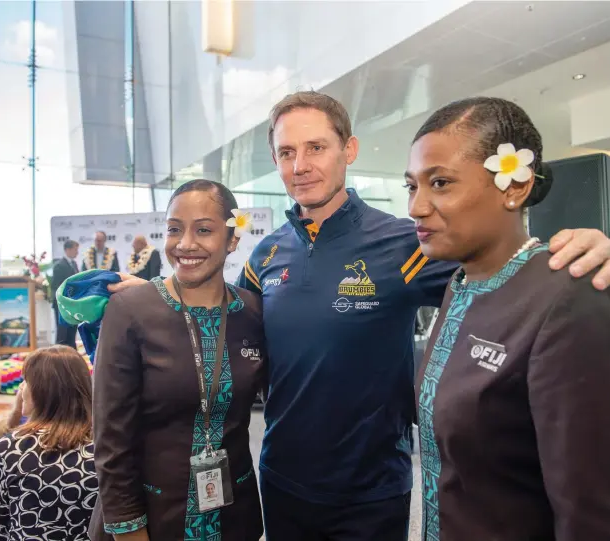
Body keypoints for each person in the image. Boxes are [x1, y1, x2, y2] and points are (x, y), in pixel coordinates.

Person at [108, 91, 610, 540]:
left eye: (316, 148)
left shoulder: (407, 241)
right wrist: (152, 299)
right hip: (283, 481)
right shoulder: (266, 257)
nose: (300, 165)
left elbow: (498, 266)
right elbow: (228, 332)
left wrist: (583, 246)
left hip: (373, 490)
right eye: (287, 152)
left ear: (348, 151)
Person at [406, 97, 610, 540]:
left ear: (514, 188)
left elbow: (588, 505)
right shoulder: (460, 284)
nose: (416, 207)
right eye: (412, 186)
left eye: (440, 183)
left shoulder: (566, 294)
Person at [90, 179, 265, 541]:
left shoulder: (252, 311)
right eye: (174, 229)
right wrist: (128, 529)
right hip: (154, 518)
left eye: (204, 230)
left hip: (234, 517)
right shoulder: (130, 312)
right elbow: (111, 438)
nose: (185, 244)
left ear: (232, 240)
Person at [0, 346, 97, 540]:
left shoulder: (9, 448)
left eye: (26, 381)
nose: (21, 389)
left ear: (42, 390)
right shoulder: (104, 446)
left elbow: (1, 525)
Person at [51, 239, 80, 348]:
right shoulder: (59, 265)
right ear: (68, 249)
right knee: (62, 333)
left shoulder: (74, 264)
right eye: (75, 249)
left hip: (72, 304)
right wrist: (62, 300)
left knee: (72, 331)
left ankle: (72, 355)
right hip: (62, 304)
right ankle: (59, 357)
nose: (77, 252)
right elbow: (56, 286)